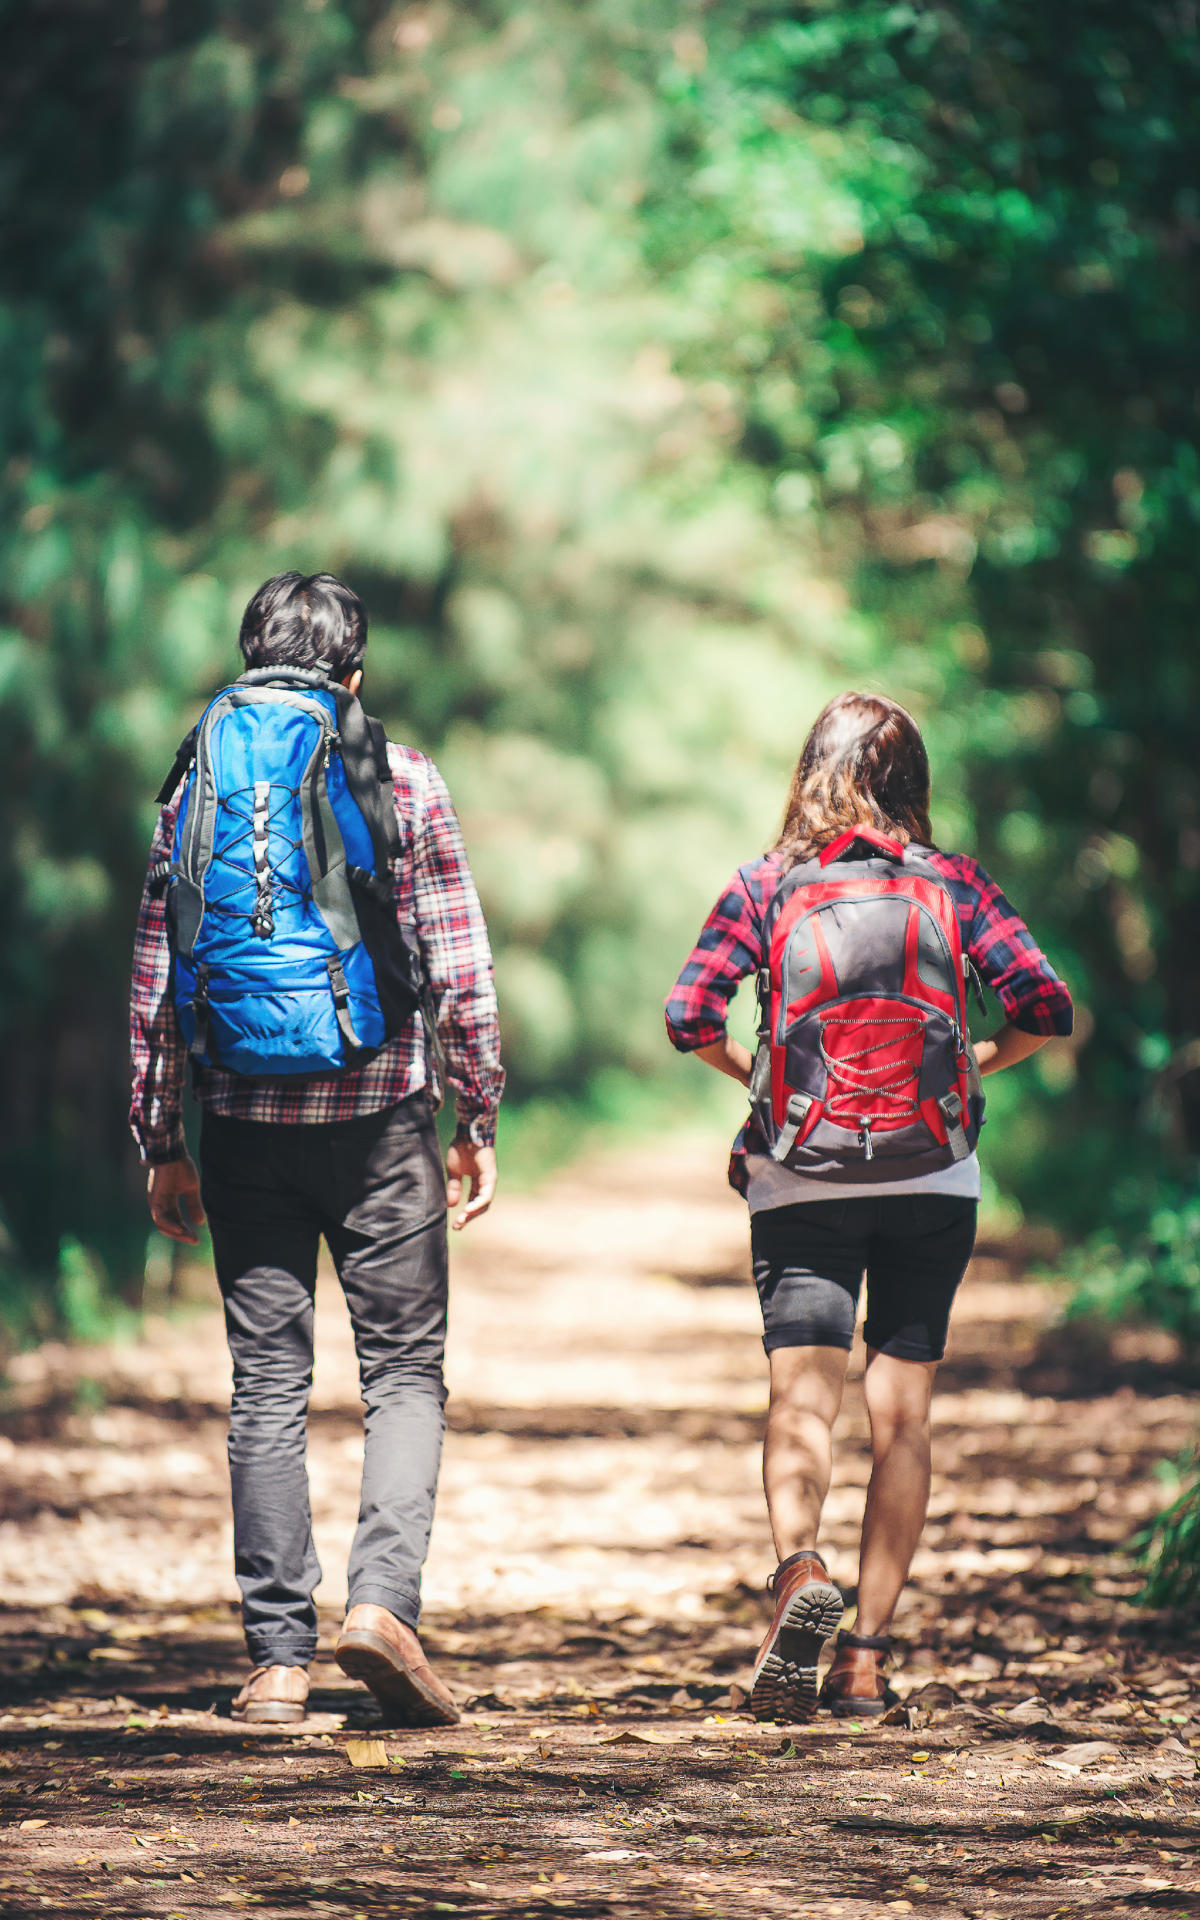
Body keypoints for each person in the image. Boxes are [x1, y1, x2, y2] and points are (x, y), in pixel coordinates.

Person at [129, 572, 503, 1727]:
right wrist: (476, 1110)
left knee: (266, 1386)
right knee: (400, 1373)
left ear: (251, 655)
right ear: (353, 671)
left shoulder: (193, 778)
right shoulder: (397, 774)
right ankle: (382, 1607)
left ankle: (278, 1660)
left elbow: (158, 974)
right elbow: (458, 961)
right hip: (382, 1114)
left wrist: (160, 1136)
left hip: (241, 1124)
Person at [665, 692, 1072, 1723]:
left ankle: (799, 1575)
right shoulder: (952, 883)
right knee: (904, 1419)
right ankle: (867, 1658)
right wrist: (975, 1067)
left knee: (802, 1403)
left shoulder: (766, 885)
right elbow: (1045, 1005)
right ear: (911, 784)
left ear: (811, 773)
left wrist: (757, 1079)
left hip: (801, 1175)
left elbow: (688, 1016)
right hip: (933, 1177)